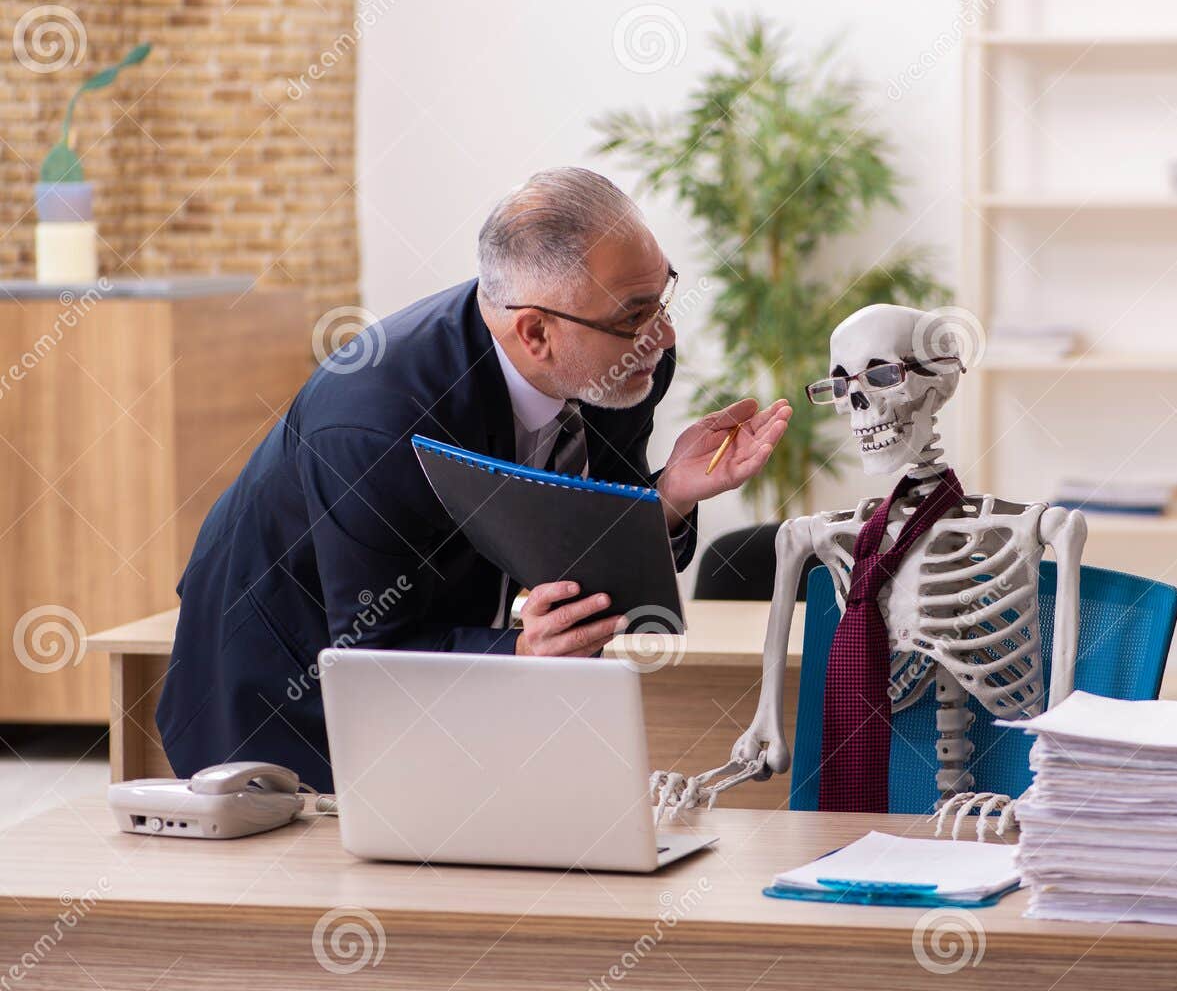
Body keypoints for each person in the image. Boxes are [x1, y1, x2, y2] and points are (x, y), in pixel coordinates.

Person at [156, 168, 790, 791]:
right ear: (536, 332)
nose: (664, 334)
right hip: (281, 675)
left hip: (448, 660)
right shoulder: (375, 420)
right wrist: (518, 652)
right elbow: (375, 648)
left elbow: (589, 543)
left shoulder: (625, 360)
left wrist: (672, 494)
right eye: (636, 315)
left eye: (663, 298)